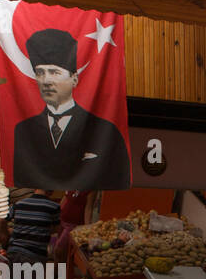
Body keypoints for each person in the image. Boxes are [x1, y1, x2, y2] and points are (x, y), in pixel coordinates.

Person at [13, 29, 131, 191]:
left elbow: (118, 184)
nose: (46, 81)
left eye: (54, 72)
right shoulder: (23, 130)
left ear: (74, 79)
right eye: (40, 73)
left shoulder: (106, 130)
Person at [4, 189, 62, 264]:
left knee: (13, 275)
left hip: (14, 252)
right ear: (51, 190)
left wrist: (4, 234)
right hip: (35, 256)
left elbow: (2, 219)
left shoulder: (19, 204)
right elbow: (57, 230)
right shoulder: (54, 207)